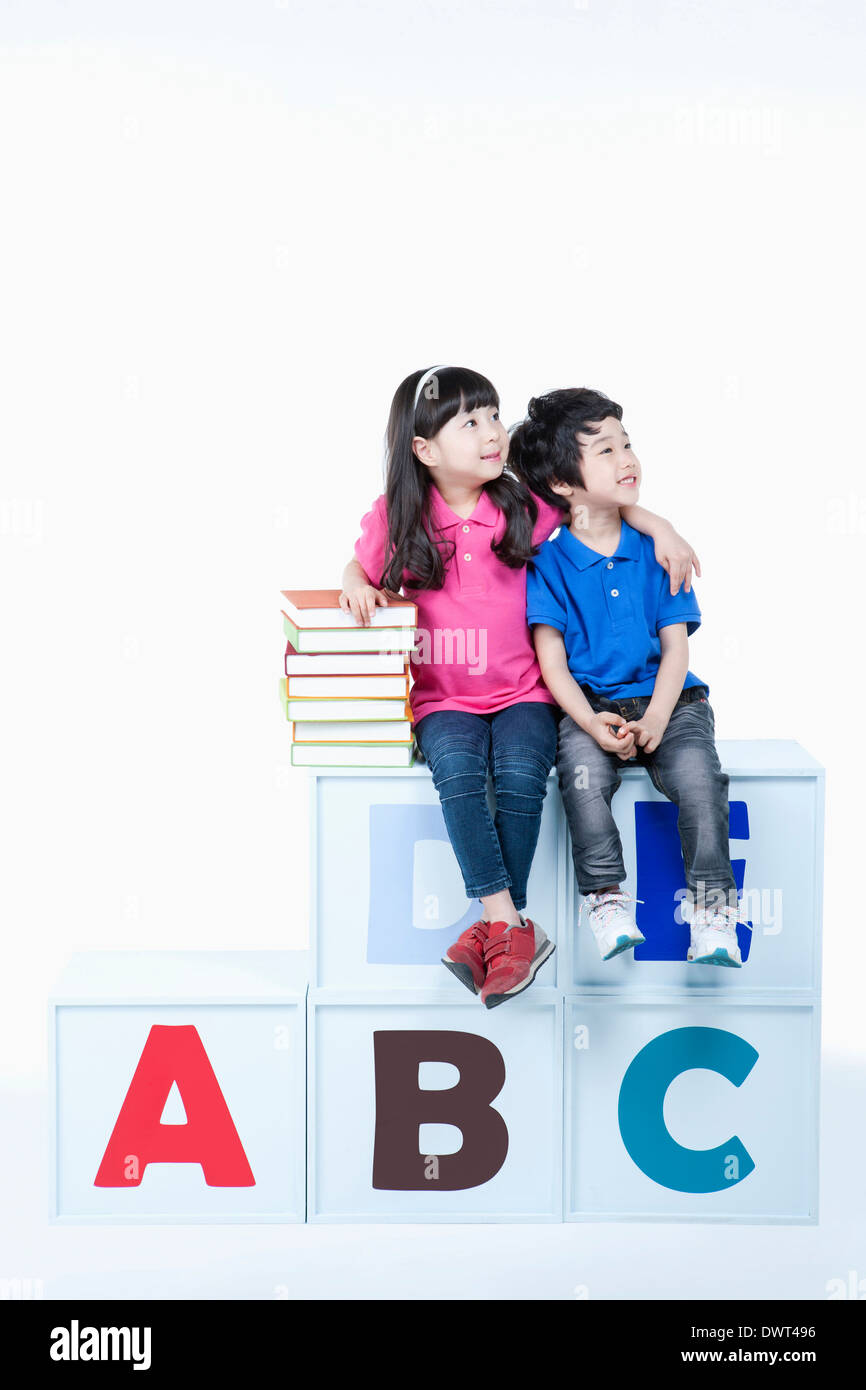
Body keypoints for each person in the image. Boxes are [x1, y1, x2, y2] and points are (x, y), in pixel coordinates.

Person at [340, 366, 698, 1005]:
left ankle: (496, 929)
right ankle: (509, 923)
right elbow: (358, 563)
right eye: (470, 423)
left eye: (494, 416)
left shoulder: (521, 505)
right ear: (423, 450)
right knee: (455, 771)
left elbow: (596, 501)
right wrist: (355, 581)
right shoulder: (398, 518)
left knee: (522, 771)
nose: (492, 432)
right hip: (442, 697)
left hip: (525, 691)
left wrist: (659, 526)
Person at [510, 387, 743, 967]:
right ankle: (607, 901)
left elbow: (675, 650)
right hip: (590, 706)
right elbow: (552, 662)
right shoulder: (548, 561)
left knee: (699, 782)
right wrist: (588, 721)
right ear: (564, 484)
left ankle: (713, 912)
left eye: (627, 444)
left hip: (673, 702)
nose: (627, 460)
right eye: (606, 450)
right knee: (583, 785)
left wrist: (660, 716)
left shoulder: (659, 551)